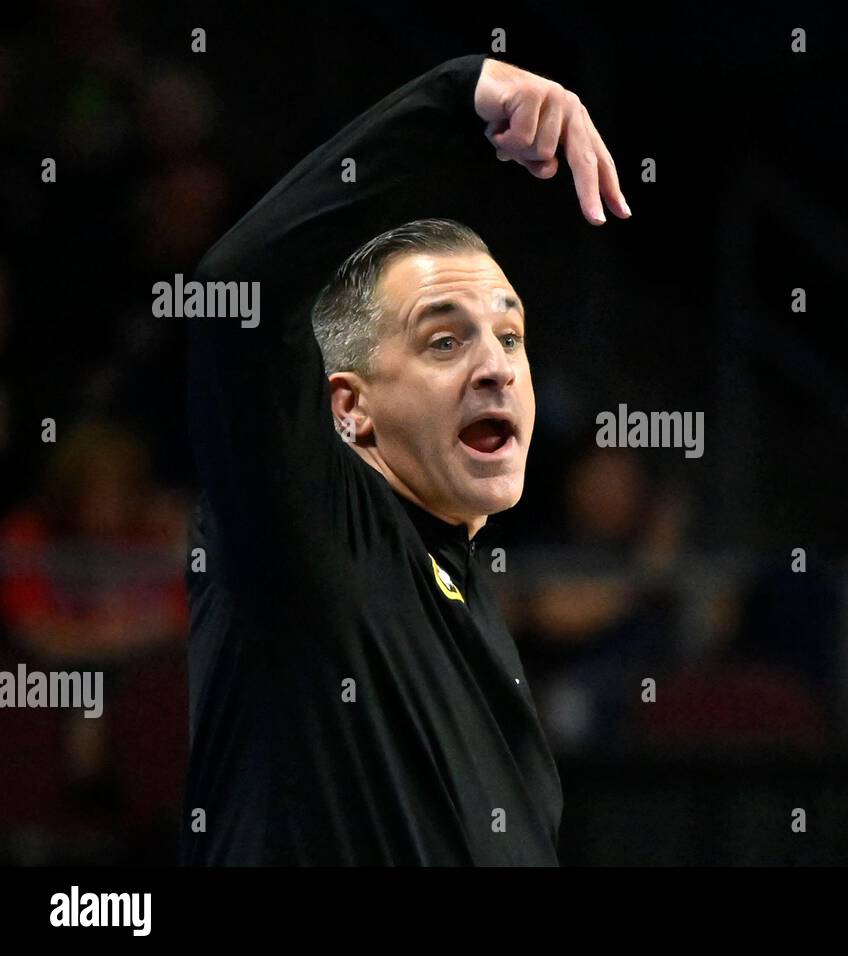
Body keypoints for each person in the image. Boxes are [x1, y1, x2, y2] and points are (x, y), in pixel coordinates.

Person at [179, 54, 630, 865]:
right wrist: (458, 94)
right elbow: (234, 295)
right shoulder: (313, 540)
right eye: (445, 340)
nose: (495, 365)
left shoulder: (458, 589)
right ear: (348, 408)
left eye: (511, 335)